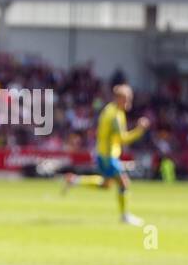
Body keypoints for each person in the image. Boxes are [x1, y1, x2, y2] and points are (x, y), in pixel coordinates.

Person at [62, 84, 147, 225]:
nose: (129, 102)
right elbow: (122, 139)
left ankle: (75, 180)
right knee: (124, 183)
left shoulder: (113, 111)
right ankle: (125, 216)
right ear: (119, 98)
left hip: (105, 153)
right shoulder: (114, 115)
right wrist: (139, 129)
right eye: (126, 98)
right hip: (108, 156)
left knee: (106, 185)